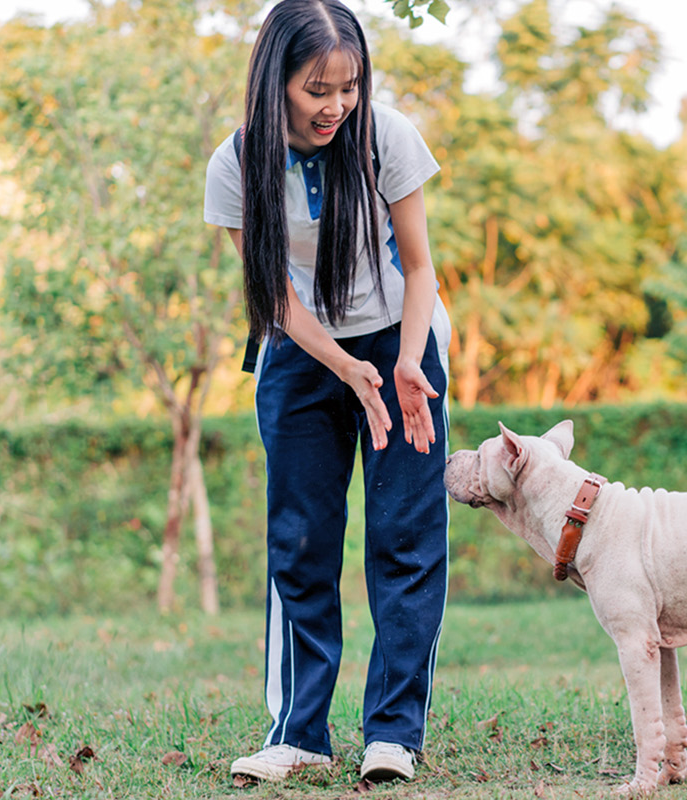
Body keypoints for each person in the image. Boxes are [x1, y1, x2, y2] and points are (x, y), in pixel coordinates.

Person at [201, 0, 451, 786]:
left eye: (347, 87)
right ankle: (299, 730)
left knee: (405, 539)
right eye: (317, 89)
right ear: (274, 81)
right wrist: (342, 369)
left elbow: (420, 270)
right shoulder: (235, 165)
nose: (335, 105)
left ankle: (394, 735)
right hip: (303, 352)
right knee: (301, 541)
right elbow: (271, 294)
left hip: (399, 340)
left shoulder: (385, 136)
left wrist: (408, 362)